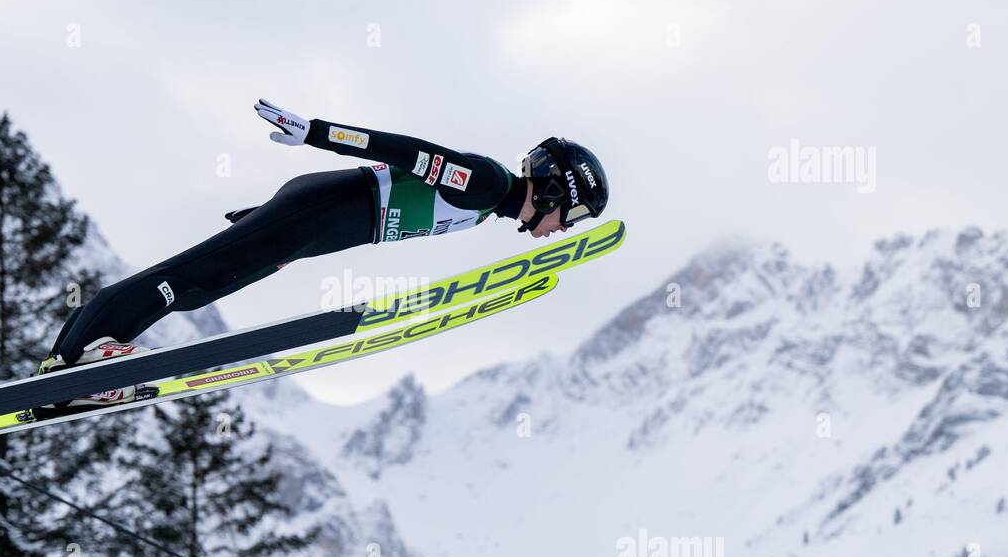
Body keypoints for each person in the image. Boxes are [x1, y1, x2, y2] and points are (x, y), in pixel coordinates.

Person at [34, 99, 609, 413]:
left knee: (196, 285)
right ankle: (87, 356)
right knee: (186, 280)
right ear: (557, 189)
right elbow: (405, 151)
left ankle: (72, 358)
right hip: (315, 214)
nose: (562, 230)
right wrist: (316, 131)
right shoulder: (485, 184)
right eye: (573, 216)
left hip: (313, 224)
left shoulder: (488, 203)